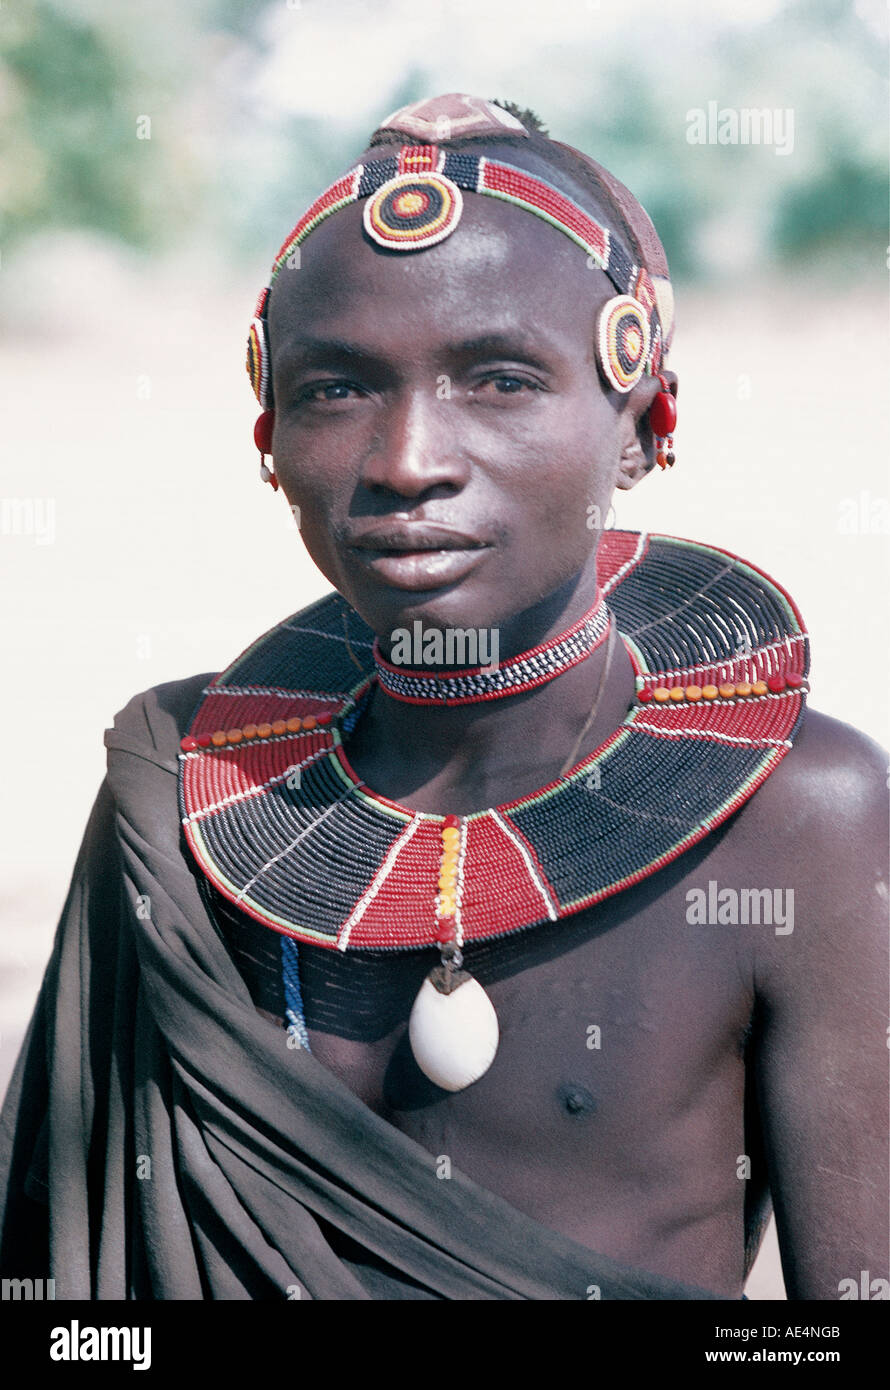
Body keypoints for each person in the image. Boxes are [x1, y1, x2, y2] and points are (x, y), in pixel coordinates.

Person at [0, 93, 886, 1301]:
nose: (407, 459)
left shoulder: (804, 821)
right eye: (336, 390)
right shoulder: (177, 793)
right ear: (267, 436)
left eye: (500, 380)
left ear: (641, 424)